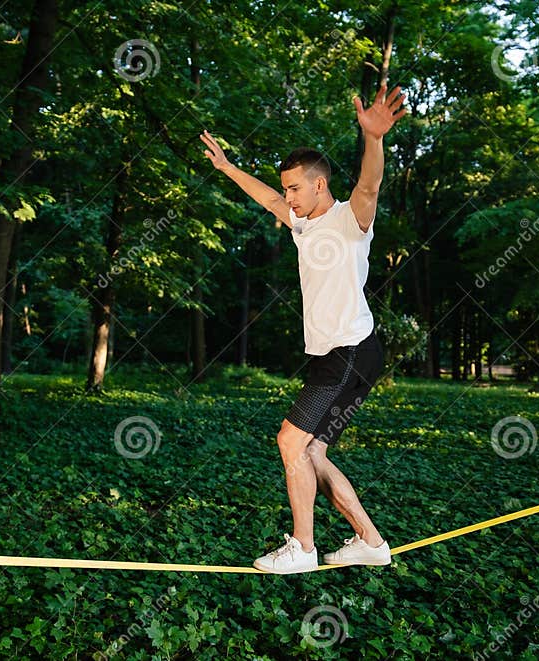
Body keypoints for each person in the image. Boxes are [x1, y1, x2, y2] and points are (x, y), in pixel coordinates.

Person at [199, 81, 408, 574]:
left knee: (291, 442)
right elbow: (267, 198)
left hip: (348, 351)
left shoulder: (349, 220)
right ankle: (371, 541)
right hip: (344, 355)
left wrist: (373, 138)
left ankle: (304, 549)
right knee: (313, 451)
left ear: (320, 184)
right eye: (286, 188)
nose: (287, 197)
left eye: (295, 187)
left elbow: (369, 186)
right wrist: (228, 168)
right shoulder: (303, 223)